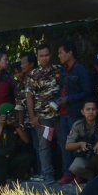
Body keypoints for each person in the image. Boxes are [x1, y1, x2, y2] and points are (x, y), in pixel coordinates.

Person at [57, 42, 94, 179]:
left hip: (76, 112)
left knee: (78, 143)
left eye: (61, 52)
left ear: (70, 53)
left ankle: (79, 172)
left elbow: (88, 92)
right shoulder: (63, 71)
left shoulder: (81, 70)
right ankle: (67, 173)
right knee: (65, 145)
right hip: (63, 113)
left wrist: (69, 99)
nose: (59, 55)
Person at [26, 43, 62, 182]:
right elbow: (29, 97)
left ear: (50, 55)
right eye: (41, 56)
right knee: (44, 146)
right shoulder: (33, 74)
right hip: (42, 117)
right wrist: (32, 117)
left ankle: (65, 174)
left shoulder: (59, 70)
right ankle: (48, 176)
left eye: (47, 55)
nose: (45, 58)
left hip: (59, 115)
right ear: (38, 57)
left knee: (63, 144)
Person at [65, 99, 98, 182]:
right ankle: (93, 178)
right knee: (74, 168)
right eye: (88, 109)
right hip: (87, 156)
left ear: (97, 111)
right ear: (82, 112)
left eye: (93, 109)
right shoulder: (78, 125)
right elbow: (68, 146)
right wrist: (80, 144)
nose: (91, 112)